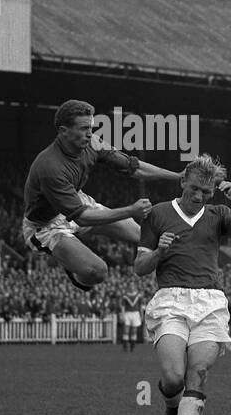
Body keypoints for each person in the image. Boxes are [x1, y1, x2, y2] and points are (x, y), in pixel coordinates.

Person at [135, 154, 231, 415]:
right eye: (194, 188)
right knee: (173, 376)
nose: (199, 195)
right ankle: (170, 407)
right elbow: (139, 266)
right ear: (182, 182)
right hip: (170, 300)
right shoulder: (158, 214)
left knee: (199, 372)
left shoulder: (218, 213)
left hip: (209, 302)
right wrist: (159, 251)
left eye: (206, 192)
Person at [21, 99, 182, 289]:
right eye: (82, 129)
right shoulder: (50, 167)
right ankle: (74, 269)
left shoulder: (93, 143)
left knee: (147, 237)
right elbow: (83, 218)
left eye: (90, 127)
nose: (89, 134)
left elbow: (134, 168)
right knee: (97, 272)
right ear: (63, 131)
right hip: (46, 226)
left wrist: (177, 176)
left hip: (77, 202)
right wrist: (131, 210)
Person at [119, 286, 145, 351]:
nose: (132, 287)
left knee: (134, 331)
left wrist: (141, 315)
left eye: (133, 286)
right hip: (128, 313)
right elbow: (123, 307)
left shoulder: (139, 296)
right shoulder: (125, 296)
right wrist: (122, 315)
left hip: (136, 313)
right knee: (126, 330)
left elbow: (141, 307)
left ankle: (132, 347)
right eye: (130, 286)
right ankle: (125, 346)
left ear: (135, 287)